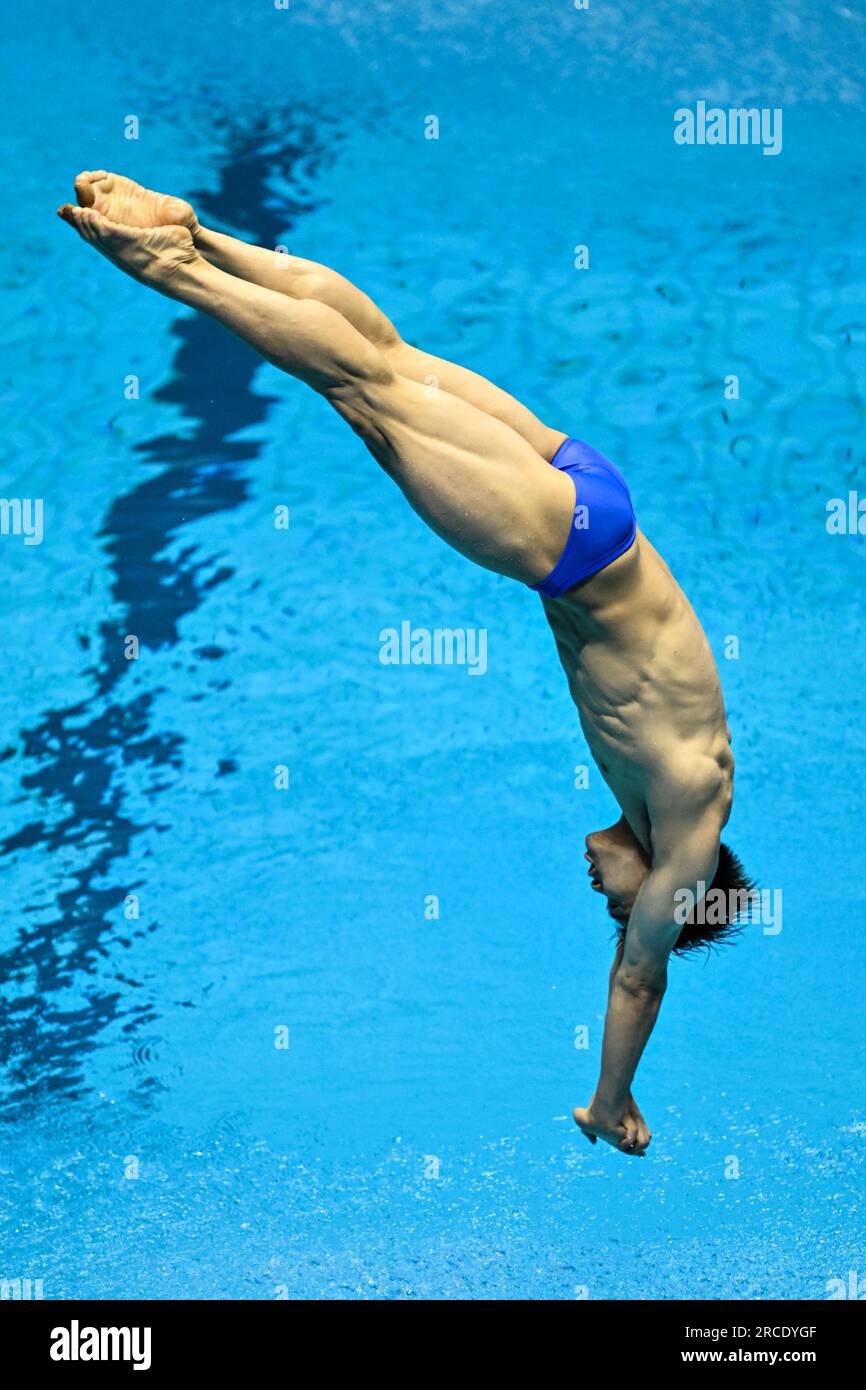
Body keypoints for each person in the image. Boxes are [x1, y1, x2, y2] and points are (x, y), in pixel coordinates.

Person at [58, 172, 754, 1157]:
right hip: (571, 548)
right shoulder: (688, 831)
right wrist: (612, 1099)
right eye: (619, 904)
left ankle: (198, 234)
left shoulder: (674, 793)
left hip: (587, 499)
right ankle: (174, 266)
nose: (605, 895)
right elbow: (641, 976)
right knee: (366, 390)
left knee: (387, 363)